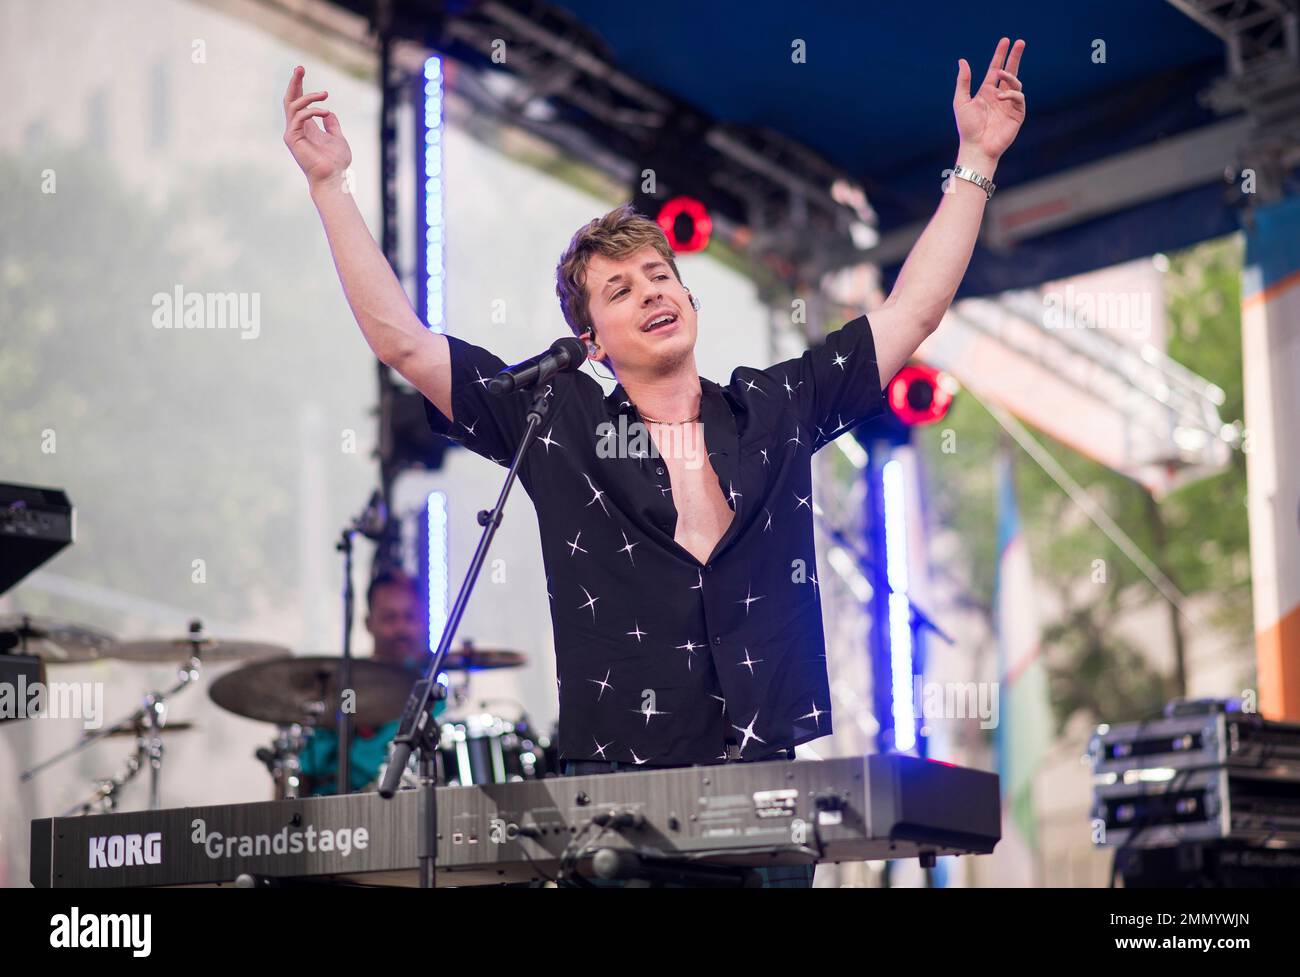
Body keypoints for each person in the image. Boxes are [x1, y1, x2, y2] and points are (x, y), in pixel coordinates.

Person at [282, 37, 1026, 884]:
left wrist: (974, 159)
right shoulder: (555, 420)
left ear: (691, 295)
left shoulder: (774, 409)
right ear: (592, 341)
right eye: (621, 290)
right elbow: (405, 344)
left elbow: (913, 311)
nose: (652, 293)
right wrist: (331, 187)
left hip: (768, 791)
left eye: (660, 274)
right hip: (619, 799)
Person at [298, 569, 443, 795]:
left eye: (409, 617)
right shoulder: (346, 689)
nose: (401, 629)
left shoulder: (431, 694)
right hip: (344, 814)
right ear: (368, 623)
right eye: (389, 618)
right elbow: (308, 765)